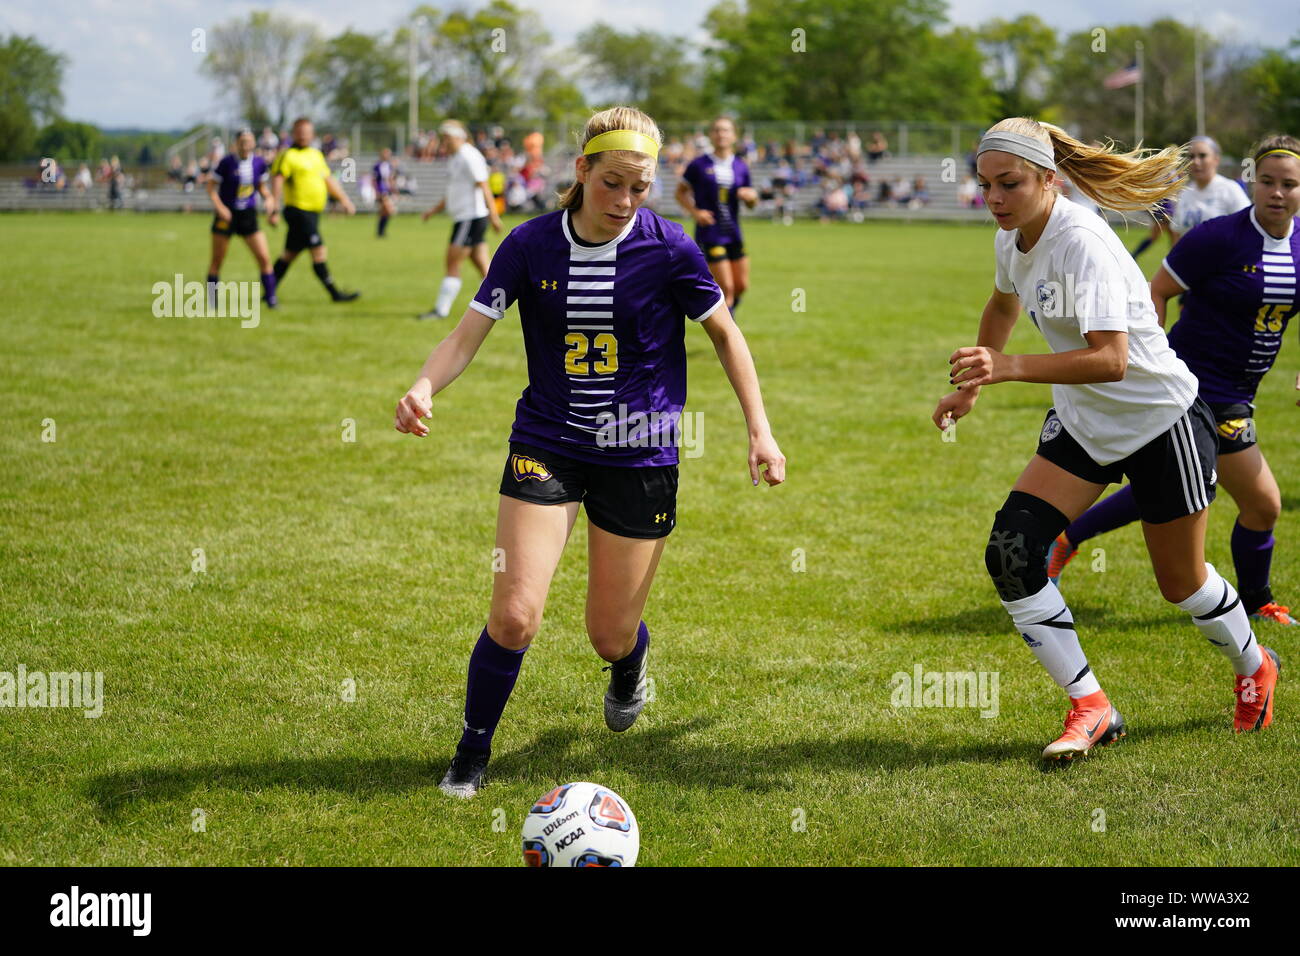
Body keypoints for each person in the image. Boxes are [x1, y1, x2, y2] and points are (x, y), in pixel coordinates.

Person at [393, 106, 786, 798]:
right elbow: (466, 335)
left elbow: (726, 334)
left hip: (639, 454)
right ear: (580, 171)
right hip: (548, 441)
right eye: (612, 184)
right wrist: (425, 384)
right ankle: (472, 749)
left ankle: (629, 665)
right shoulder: (528, 245)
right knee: (515, 615)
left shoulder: (671, 248)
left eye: (640, 188)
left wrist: (760, 429)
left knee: (609, 634)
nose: (625, 202)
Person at [934, 117, 1280, 762]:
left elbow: (1111, 360)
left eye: (1008, 184)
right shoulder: (1013, 236)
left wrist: (1006, 368)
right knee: (1012, 551)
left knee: (1181, 583)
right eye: (985, 185)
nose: (995, 199)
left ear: (1048, 179)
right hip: (1085, 422)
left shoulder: (1082, 242)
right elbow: (1003, 305)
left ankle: (1256, 663)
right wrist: (973, 383)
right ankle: (1092, 707)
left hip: (1160, 420)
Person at [1050, 134, 1300, 627]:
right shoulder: (1218, 238)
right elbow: (1156, 292)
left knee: (1178, 489)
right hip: (1197, 388)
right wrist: (1151, 361)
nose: (1277, 192)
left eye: (1289, 184)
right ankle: (1256, 603)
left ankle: (1067, 537)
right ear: (1249, 181)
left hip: (1242, 390)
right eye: (1266, 181)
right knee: (1263, 503)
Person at [418, 121, 503, 320]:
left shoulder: (468, 155)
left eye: (446, 138)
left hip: (470, 218)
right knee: (484, 267)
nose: (443, 142)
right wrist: (433, 211)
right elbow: (454, 192)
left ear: (458, 137)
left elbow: (484, 186)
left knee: (452, 263)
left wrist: (494, 216)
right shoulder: (456, 157)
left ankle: (441, 310)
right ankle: (499, 305)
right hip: (466, 218)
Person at [269, 117, 360, 303]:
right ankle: (335, 294)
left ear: (312, 134)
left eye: (307, 132)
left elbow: (327, 179)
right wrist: (274, 208)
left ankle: (268, 290)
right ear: (294, 133)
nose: (303, 135)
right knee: (318, 250)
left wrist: (344, 200)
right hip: (298, 211)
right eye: (300, 132)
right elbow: (278, 181)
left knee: (289, 254)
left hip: (313, 212)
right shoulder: (287, 156)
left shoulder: (316, 154)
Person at [675, 117, 758, 312]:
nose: (721, 134)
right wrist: (695, 213)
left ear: (734, 135)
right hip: (710, 233)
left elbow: (752, 202)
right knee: (726, 287)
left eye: (726, 130)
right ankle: (728, 336)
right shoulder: (699, 164)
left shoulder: (741, 166)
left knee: (741, 286)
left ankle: (728, 319)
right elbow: (680, 192)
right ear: (711, 134)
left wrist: (751, 198)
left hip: (734, 233)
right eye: (717, 130)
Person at [205, 129, 278, 308]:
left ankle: (271, 300)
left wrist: (269, 199)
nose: (245, 145)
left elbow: (261, 187)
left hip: (248, 215)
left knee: (264, 258)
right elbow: (211, 188)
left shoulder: (259, 163)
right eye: (242, 141)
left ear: (254, 143)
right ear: (236, 143)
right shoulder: (226, 163)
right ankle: (213, 302)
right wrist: (221, 208)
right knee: (217, 260)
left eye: (249, 141)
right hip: (227, 215)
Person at [1168, 135, 1251, 242]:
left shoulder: (1230, 189)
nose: (1196, 162)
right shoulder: (1185, 193)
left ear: (1216, 159)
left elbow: (1249, 228)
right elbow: (1176, 233)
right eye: (1191, 156)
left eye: (1202, 156)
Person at [373, 147, 397, 238]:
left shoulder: (389, 165)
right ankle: (381, 232)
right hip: (381, 189)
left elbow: (390, 179)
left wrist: (394, 190)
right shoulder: (377, 165)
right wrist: (376, 191)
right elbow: (374, 180)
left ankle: (381, 232)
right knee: (389, 210)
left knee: (384, 212)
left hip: (387, 189)